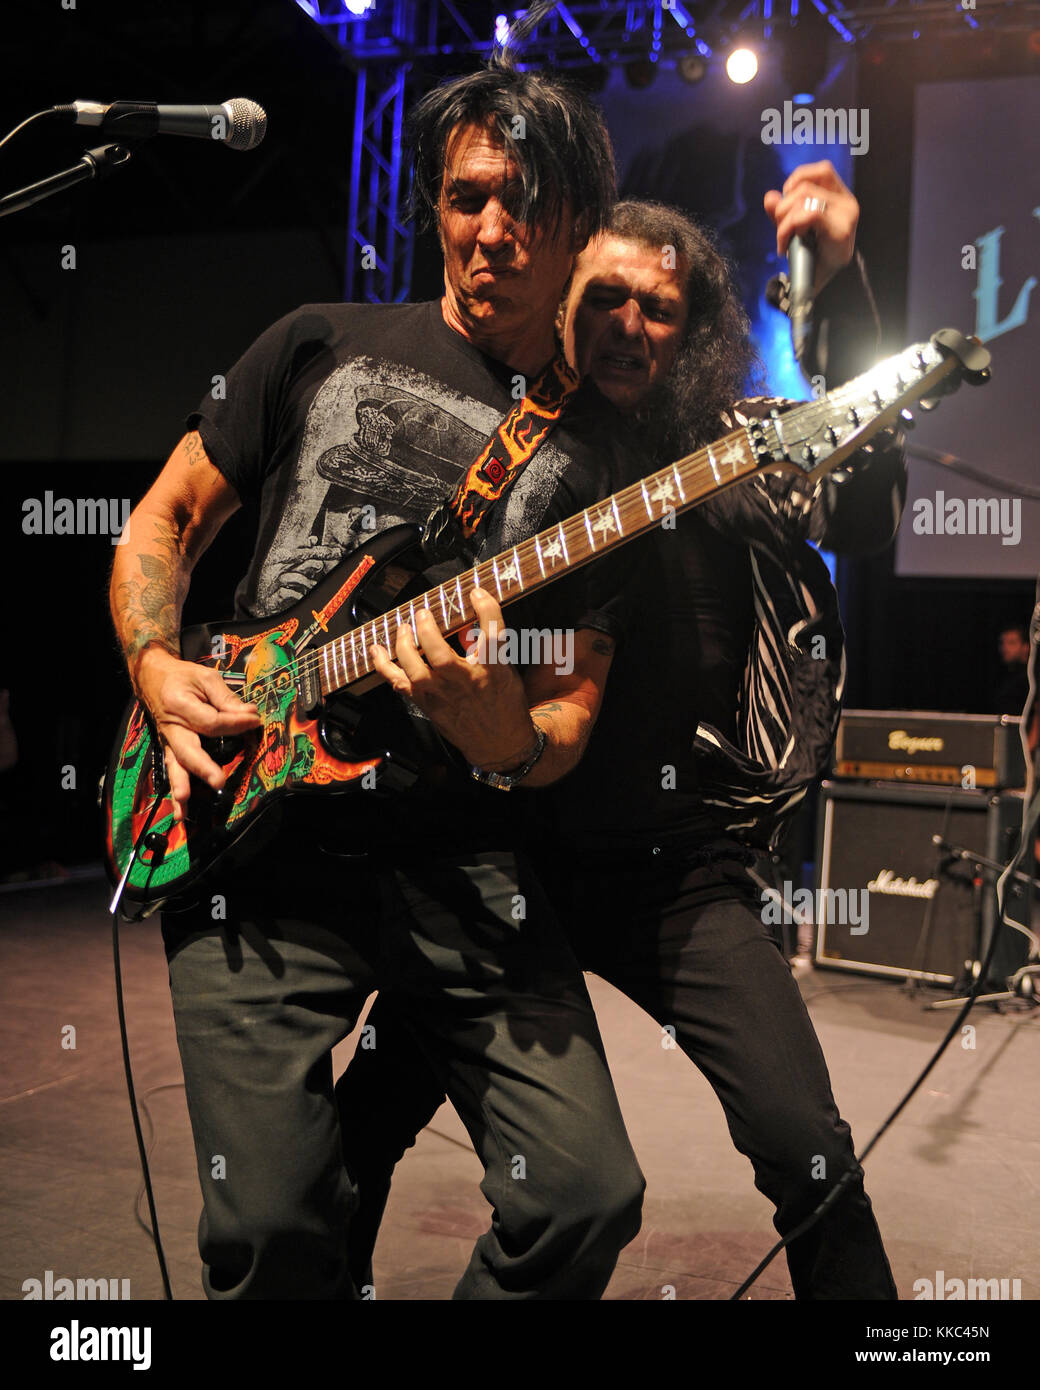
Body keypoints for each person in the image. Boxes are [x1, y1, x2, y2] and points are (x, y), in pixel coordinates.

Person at [108, 63, 650, 1300]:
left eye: (525, 201)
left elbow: (565, 713)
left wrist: (499, 733)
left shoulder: (603, 465)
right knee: (271, 1236)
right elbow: (164, 519)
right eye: (466, 198)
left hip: (461, 858)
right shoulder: (318, 339)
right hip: (251, 825)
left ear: (576, 221)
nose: (491, 231)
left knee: (582, 1196)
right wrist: (153, 660)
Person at [337, 167, 905, 1299]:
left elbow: (864, 497)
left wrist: (840, 282)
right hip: (504, 856)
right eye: (604, 296)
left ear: (691, 337)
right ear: (561, 305)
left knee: (807, 1145)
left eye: (659, 307)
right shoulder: (496, 463)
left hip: (675, 875)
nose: (628, 324)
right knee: (363, 1126)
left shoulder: (740, 454)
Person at [994, 622, 1030, 717]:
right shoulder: (1002, 676)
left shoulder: (1032, 679)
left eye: (1011, 643)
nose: (1005, 648)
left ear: (1026, 647)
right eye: (1002, 643)